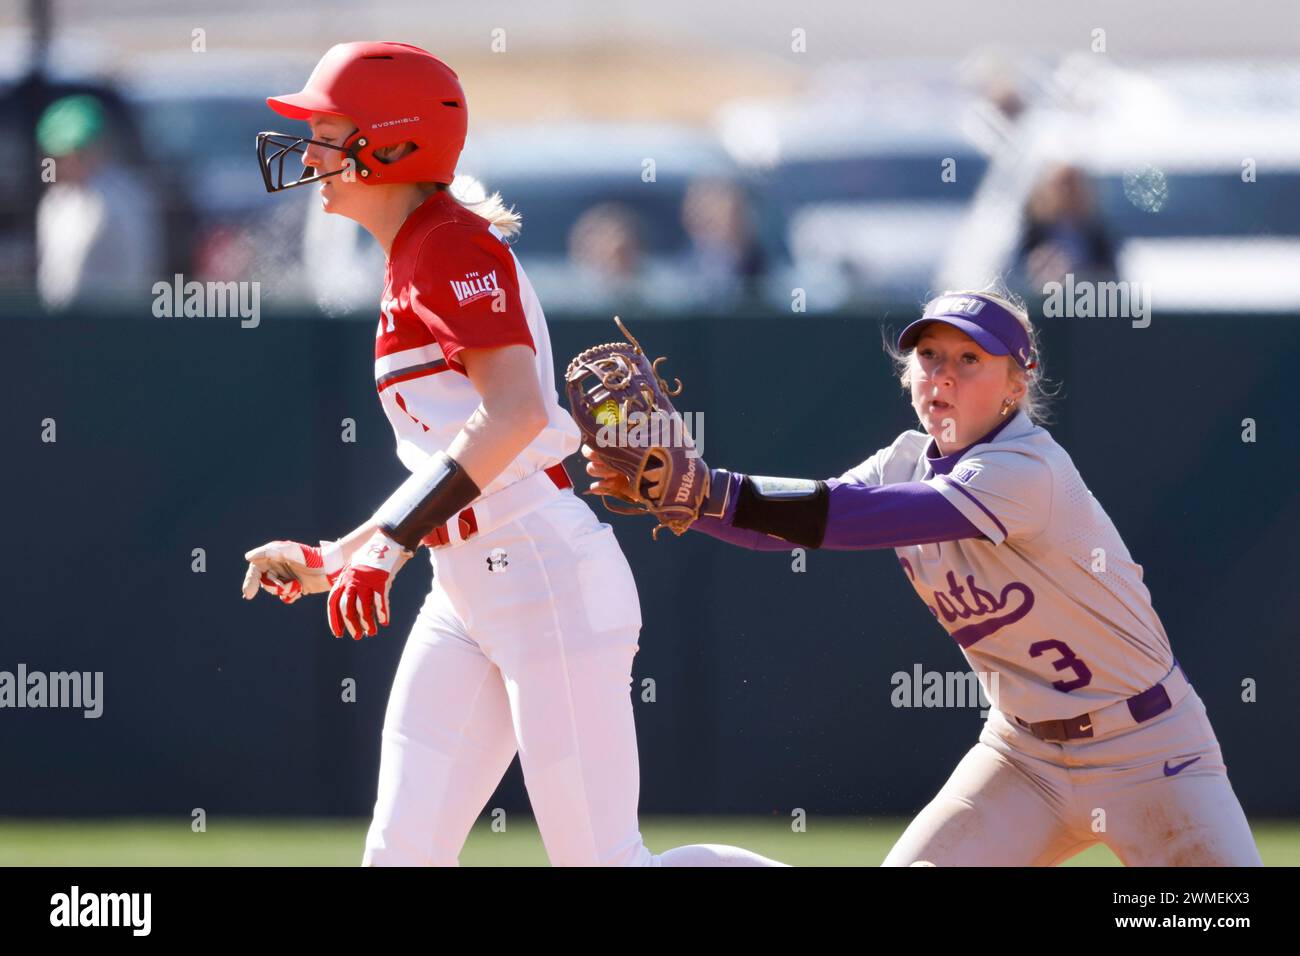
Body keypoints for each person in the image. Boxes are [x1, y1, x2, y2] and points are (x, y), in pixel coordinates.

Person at [241, 41, 783, 868]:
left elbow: (518, 412)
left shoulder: (446, 245)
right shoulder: (420, 247)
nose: (310, 151)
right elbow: (451, 459)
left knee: (604, 862)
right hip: (470, 585)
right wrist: (335, 556)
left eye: (328, 129)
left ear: (390, 142)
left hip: (542, 575)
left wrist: (384, 548)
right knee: (401, 856)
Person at [584, 282, 1262, 866]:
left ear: (1016, 386)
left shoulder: (1028, 471)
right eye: (929, 357)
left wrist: (711, 487)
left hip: (1150, 751)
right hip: (1022, 758)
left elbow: (847, 517)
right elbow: (787, 527)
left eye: (970, 360)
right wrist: (678, 497)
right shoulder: (904, 460)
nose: (943, 374)